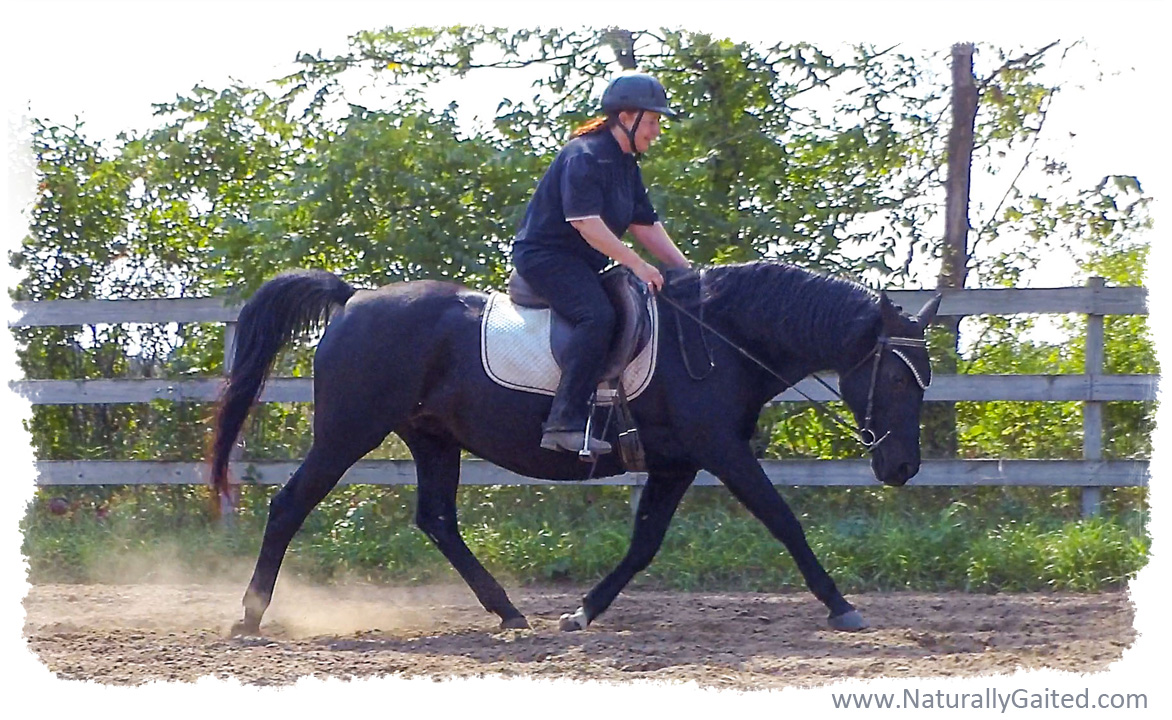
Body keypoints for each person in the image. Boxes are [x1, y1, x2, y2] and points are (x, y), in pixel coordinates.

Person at [511, 72, 691, 456]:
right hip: (546, 258)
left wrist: (688, 273)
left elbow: (646, 225)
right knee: (598, 316)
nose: (657, 132)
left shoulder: (626, 165)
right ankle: (563, 423)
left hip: (581, 263)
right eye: (654, 121)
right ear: (627, 117)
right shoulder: (585, 155)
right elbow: (585, 222)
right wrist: (639, 266)